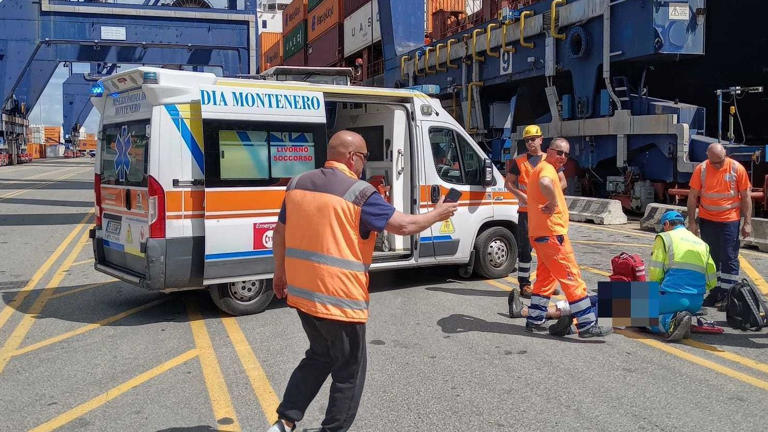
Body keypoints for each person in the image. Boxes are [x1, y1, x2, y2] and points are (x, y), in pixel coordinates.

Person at [268, 130, 458, 432]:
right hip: (340, 301)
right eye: (365, 157)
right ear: (352, 157)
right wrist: (437, 214)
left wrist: (280, 274)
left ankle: (285, 421)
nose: (364, 164)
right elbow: (404, 225)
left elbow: (279, 233)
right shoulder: (360, 193)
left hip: (304, 296)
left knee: (318, 356)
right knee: (349, 373)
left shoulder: (297, 185)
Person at [524, 137, 612, 338]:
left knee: (546, 278)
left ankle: (535, 317)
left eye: (566, 154)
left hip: (540, 234)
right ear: (549, 151)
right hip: (552, 234)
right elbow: (545, 183)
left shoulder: (542, 167)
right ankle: (587, 324)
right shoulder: (546, 169)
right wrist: (554, 201)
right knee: (571, 277)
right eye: (559, 152)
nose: (562, 157)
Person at [504, 125, 567, 311]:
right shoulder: (518, 161)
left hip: (546, 214)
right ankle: (524, 284)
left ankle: (544, 285)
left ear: (541, 139)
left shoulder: (550, 160)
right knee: (525, 249)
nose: (530, 142)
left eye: (534, 139)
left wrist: (551, 196)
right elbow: (509, 184)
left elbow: (562, 181)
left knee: (546, 250)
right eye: (527, 140)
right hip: (526, 213)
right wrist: (520, 196)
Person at [687, 143, 752, 308]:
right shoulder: (701, 170)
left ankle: (729, 296)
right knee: (711, 258)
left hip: (730, 220)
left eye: (721, 161)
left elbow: (746, 197)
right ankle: (715, 291)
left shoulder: (737, 169)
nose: (718, 165)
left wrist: (747, 223)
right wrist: (692, 222)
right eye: (714, 162)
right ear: (708, 157)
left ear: (725, 154)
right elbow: (693, 197)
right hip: (707, 220)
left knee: (729, 257)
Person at [647, 211, 717, 341]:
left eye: (664, 226)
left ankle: (670, 323)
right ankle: (681, 318)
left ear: (667, 224)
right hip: (696, 302)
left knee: (630, 311)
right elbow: (711, 280)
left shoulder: (664, 237)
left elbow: (655, 273)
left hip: (672, 297)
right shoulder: (702, 244)